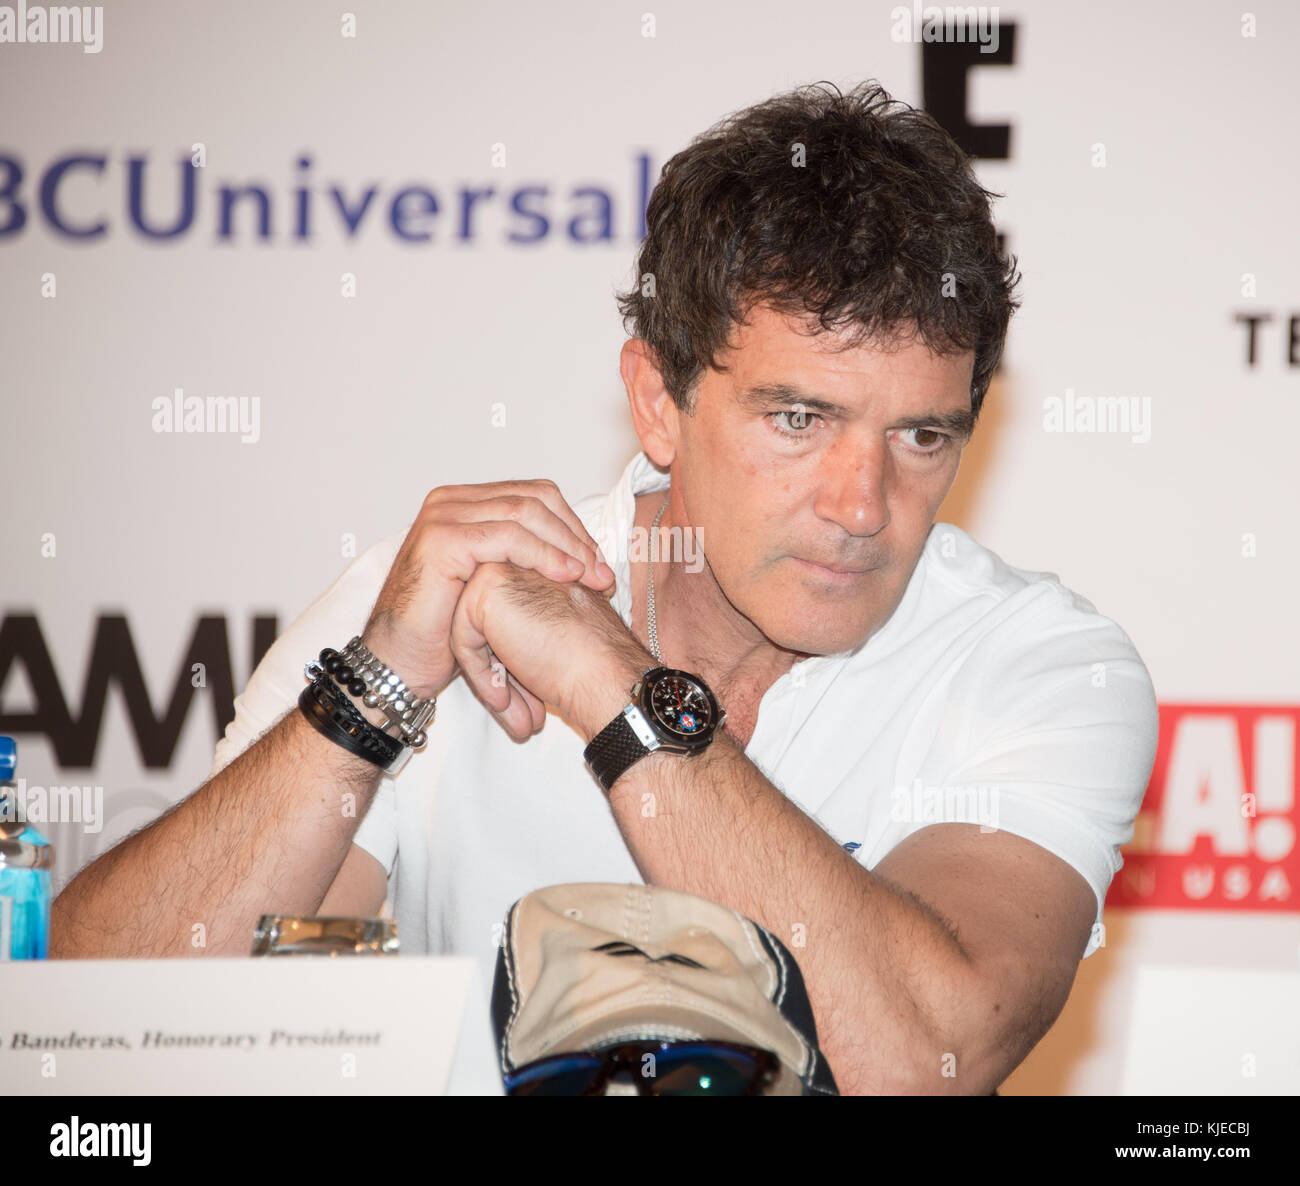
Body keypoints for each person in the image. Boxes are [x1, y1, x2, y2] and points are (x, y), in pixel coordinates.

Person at [51, 79, 1158, 1095]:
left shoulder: (1039, 664)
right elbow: (105, 1028)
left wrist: (619, 691)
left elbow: (926, 1059)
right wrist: (376, 685)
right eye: (797, 418)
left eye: (921, 434)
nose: (862, 504)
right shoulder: (439, 600)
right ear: (656, 401)